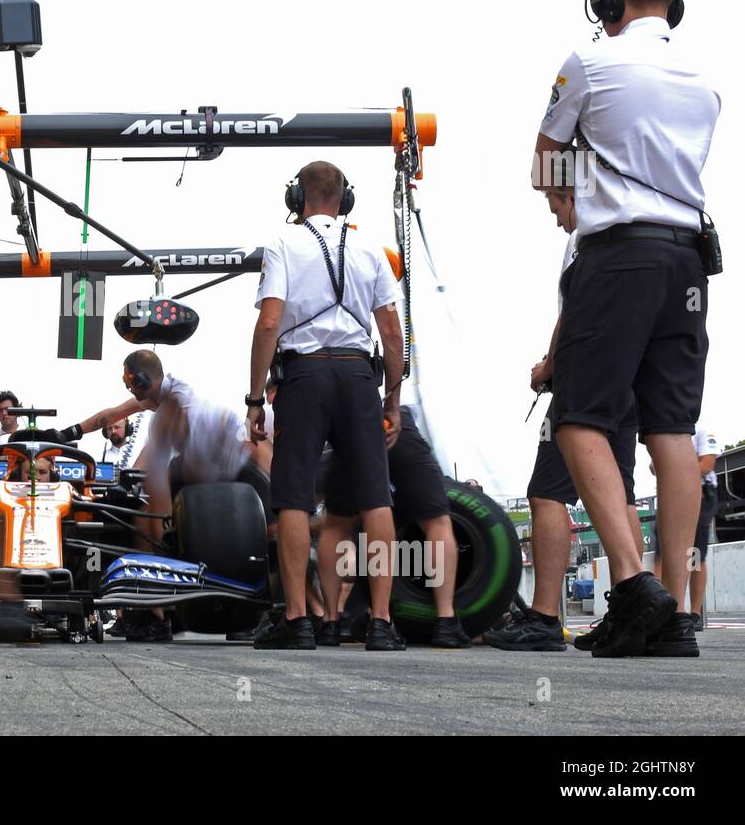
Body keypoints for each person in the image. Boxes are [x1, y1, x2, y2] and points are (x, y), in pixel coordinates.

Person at [535, 0, 719, 657]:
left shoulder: (590, 62)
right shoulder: (704, 81)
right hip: (687, 260)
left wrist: (563, 199)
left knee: (578, 417)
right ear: (668, 2)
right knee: (671, 430)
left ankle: (636, 586)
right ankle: (671, 612)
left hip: (619, 258)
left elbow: (543, 157)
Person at [245, 160, 405, 651]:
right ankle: (380, 621)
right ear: (345, 198)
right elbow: (393, 334)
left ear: (298, 198)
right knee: (376, 498)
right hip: (359, 375)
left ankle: (298, 621)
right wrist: (393, 400)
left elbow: (269, 324)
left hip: (304, 377)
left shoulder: (282, 244)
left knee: (293, 496)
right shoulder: (371, 250)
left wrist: (255, 399)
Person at [485, 186, 643, 652]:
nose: (556, 219)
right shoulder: (629, 224)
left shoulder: (585, 237)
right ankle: (630, 611)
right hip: (628, 375)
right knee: (623, 497)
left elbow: (574, 311)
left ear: (570, 195)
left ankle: (545, 617)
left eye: (555, 207)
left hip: (584, 379)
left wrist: (549, 366)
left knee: (546, 492)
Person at [62, 351, 272, 643]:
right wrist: (69, 433)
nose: (127, 388)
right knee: (142, 519)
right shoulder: (158, 412)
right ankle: (156, 612)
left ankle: (275, 612)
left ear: (143, 379)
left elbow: (251, 449)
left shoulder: (185, 404)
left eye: (129, 381)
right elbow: (112, 415)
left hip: (239, 471)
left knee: (271, 535)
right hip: (199, 477)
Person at [321, 407, 471, 648]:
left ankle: (330, 623)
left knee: (336, 524)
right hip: (393, 421)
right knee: (436, 520)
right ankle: (445, 621)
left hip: (348, 423)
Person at [689, 425, 721, 631]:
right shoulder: (667, 431)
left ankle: (695, 613)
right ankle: (665, 611)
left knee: (694, 554)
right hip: (675, 493)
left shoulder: (702, 431)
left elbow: (707, 464)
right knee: (663, 553)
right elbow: (654, 467)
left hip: (699, 491)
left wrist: (677, 473)